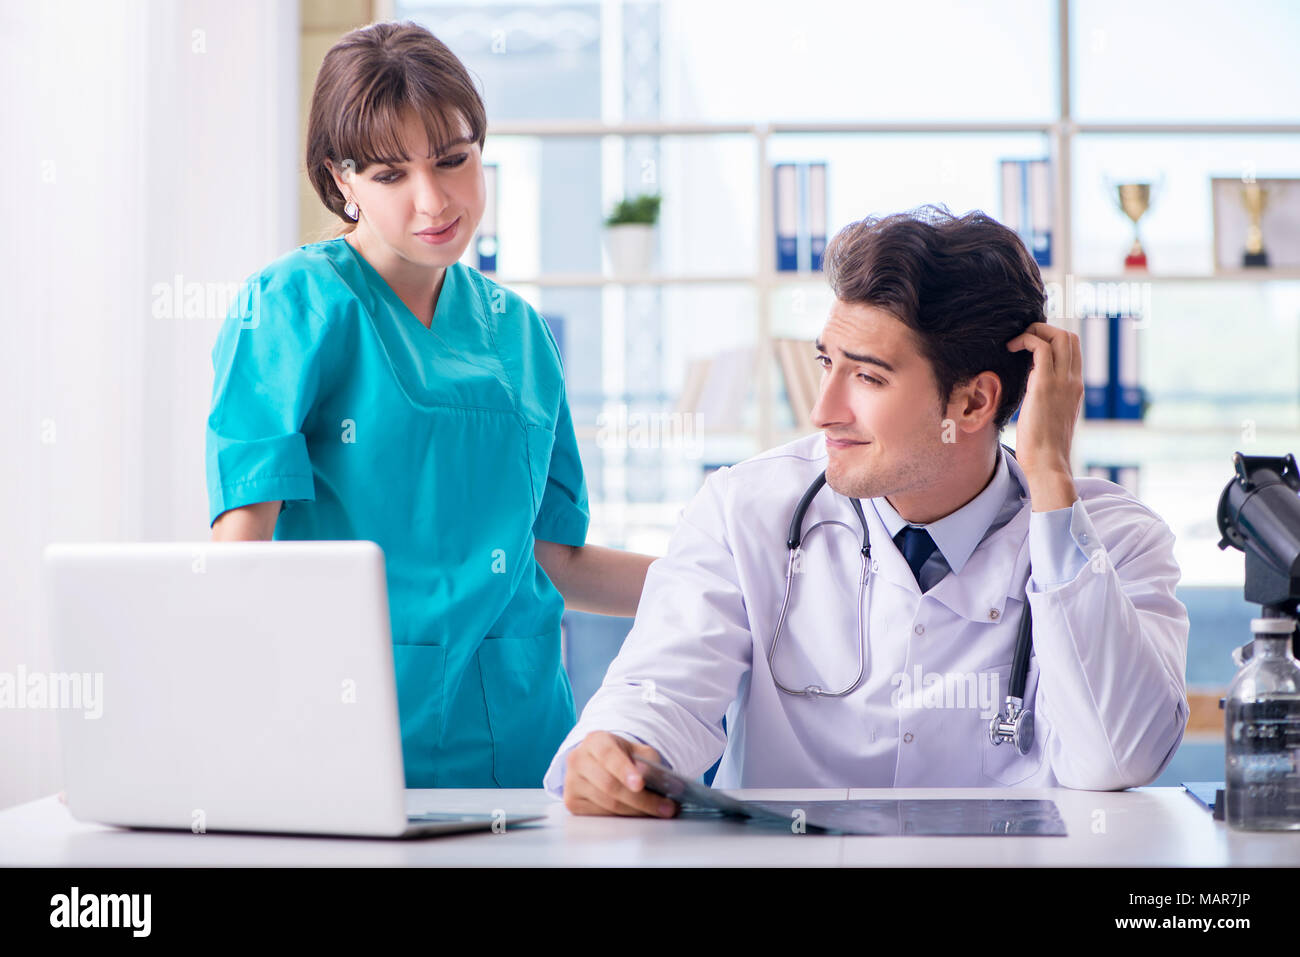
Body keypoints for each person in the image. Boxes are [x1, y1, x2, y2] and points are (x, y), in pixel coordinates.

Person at [546, 205, 1190, 817]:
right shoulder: (744, 509)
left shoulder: (1111, 540)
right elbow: (662, 690)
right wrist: (617, 749)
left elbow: (1116, 756)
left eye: (868, 377)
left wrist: (1048, 472)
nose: (822, 410)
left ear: (973, 403)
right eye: (826, 362)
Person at [206, 21, 654, 788]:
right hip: (345, 741)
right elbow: (242, 549)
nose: (434, 200)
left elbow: (555, 560)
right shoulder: (291, 307)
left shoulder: (518, 333)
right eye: (390, 174)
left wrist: (724, 587)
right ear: (341, 179)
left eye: (453, 159)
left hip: (522, 741)